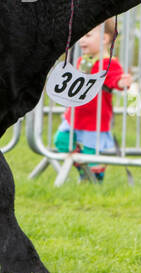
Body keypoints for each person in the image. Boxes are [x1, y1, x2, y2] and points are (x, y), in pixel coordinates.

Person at [52, 20, 132, 183]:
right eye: (81, 35)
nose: (82, 39)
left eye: (88, 35)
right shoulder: (82, 61)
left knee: (91, 154)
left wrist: (121, 83)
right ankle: (84, 170)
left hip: (94, 120)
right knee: (61, 140)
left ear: (104, 39)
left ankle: (94, 179)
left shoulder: (110, 64)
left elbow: (115, 80)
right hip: (74, 115)